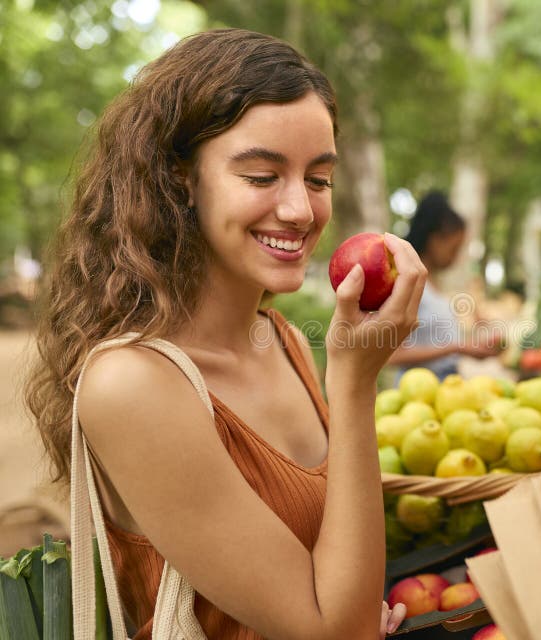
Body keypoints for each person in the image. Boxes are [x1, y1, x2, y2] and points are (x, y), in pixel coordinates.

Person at [25, 29, 424, 639]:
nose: (299, 209)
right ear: (180, 179)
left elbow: (337, 583)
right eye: (263, 176)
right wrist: (355, 384)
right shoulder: (132, 384)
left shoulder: (281, 338)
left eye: (318, 180)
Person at [387, 191, 502, 379]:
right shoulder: (407, 282)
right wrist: (458, 348)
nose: (455, 257)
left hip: (445, 386)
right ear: (434, 240)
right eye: (453, 249)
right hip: (418, 390)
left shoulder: (432, 283)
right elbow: (392, 355)